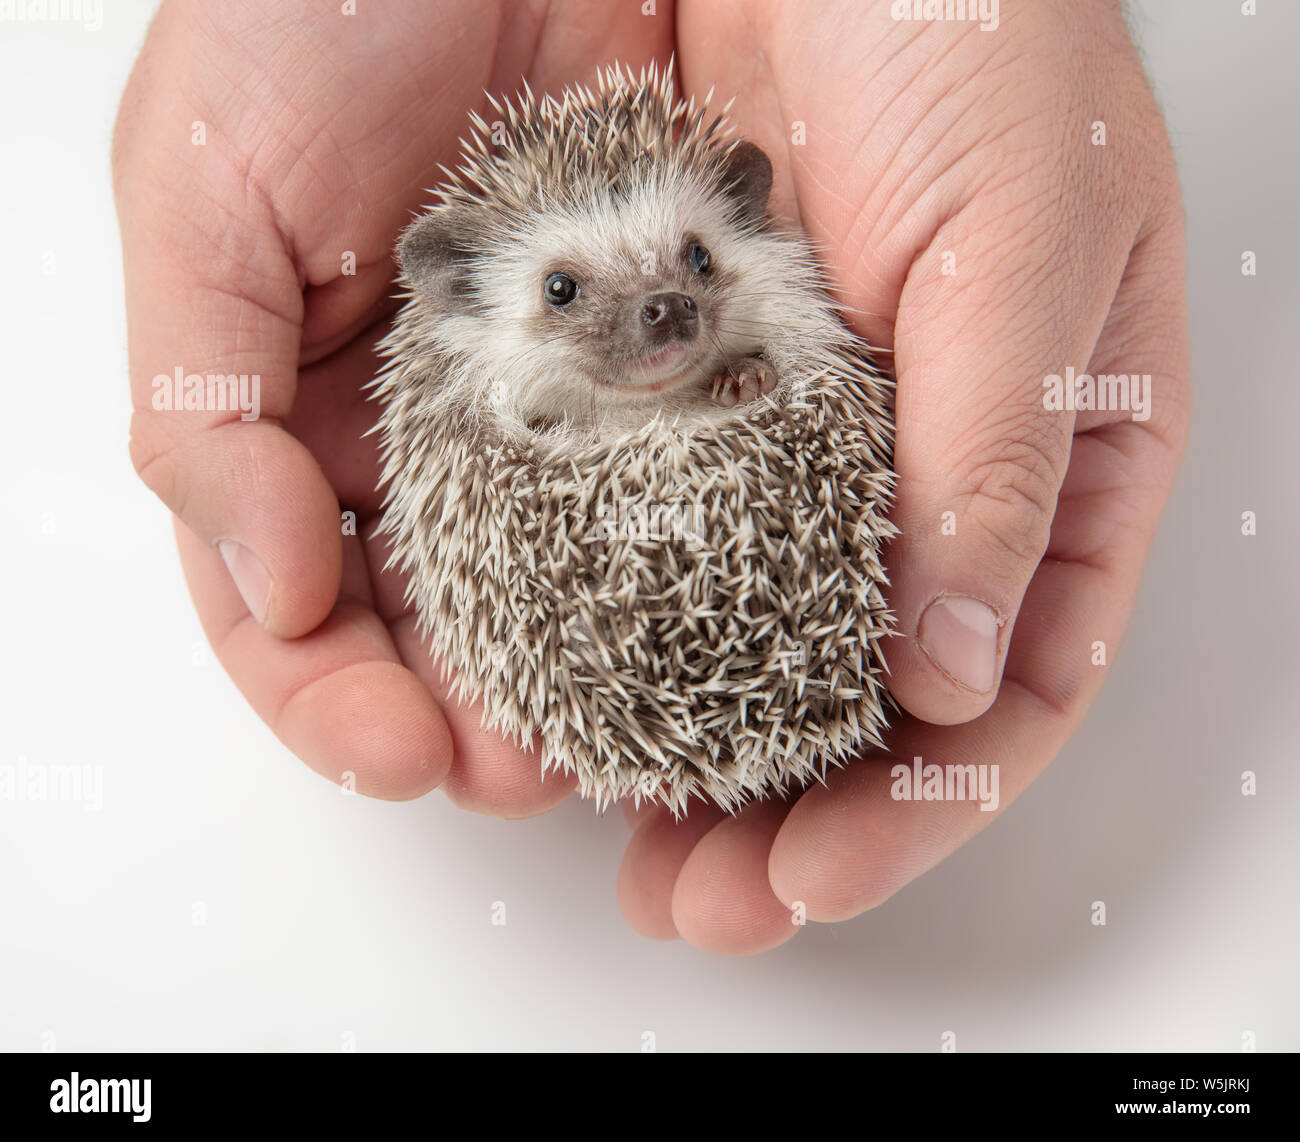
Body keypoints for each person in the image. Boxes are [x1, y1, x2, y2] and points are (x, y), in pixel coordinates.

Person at [113, 0, 1189, 954]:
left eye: (697, 261)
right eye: (570, 289)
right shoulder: (492, 410)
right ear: (465, 299)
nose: (663, 306)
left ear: (740, 219)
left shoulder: (762, 332)